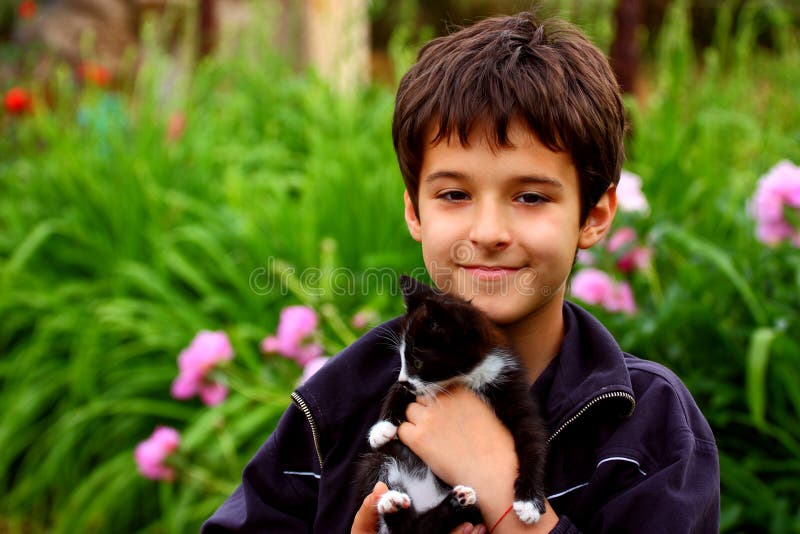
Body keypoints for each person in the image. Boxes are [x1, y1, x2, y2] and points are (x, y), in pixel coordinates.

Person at [203, 11, 720, 534]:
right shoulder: (340, 402)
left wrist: (501, 488)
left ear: (595, 215)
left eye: (530, 196)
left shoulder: (647, 428)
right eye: (454, 194)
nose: (488, 231)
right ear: (414, 210)